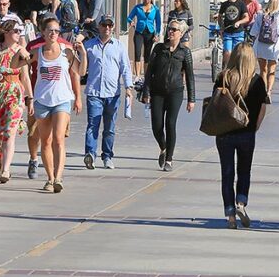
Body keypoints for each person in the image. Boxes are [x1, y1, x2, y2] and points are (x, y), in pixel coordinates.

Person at [214, 42, 268, 229]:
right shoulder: (257, 81)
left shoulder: (223, 78)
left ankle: (230, 216)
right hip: (247, 132)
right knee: (244, 170)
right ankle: (241, 202)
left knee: (227, 173)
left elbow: (216, 102)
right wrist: (255, 127)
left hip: (224, 132)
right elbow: (262, 108)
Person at [32, 17, 85, 193]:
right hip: (42, 100)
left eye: (56, 31)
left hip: (62, 99)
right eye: (50, 30)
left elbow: (80, 71)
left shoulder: (66, 51)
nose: (54, 34)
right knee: (45, 141)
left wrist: (83, 54)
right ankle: (50, 178)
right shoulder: (37, 51)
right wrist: (19, 51)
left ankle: (58, 177)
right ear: (43, 33)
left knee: (58, 138)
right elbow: (16, 64)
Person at [0, 19, 34, 183]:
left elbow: (25, 77)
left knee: (9, 132)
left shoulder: (20, 50)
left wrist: (30, 99)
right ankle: (1, 160)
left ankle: (6, 169)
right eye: (16, 31)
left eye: (20, 31)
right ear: (6, 32)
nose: (18, 34)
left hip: (15, 93)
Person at [141, 19, 195, 172]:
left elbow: (190, 76)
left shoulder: (185, 52)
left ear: (181, 33)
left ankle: (169, 159)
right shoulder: (159, 48)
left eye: (174, 29)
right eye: (169, 28)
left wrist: (191, 99)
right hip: (157, 92)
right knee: (156, 125)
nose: (170, 31)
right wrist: (146, 91)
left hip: (175, 92)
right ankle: (163, 147)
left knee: (170, 124)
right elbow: (149, 72)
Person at [83, 15, 135, 170]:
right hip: (94, 92)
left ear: (113, 27)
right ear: (99, 26)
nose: (107, 28)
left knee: (109, 128)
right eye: (104, 25)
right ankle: (90, 154)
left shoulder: (119, 46)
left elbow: (125, 68)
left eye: (110, 25)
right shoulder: (89, 46)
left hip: (113, 93)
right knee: (93, 125)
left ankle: (107, 156)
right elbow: (81, 66)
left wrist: (128, 87)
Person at [127, 0, 161, 81]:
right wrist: (131, 21)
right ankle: (137, 75)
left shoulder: (155, 9)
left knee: (147, 54)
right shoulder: (138, 7)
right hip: (139, 32)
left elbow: (158, 23)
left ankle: (146, 75)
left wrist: (157, 34)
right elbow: (129, 17)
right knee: (137, 52)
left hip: (150, 33)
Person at [217, 0, 250, 66]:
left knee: (237, 54)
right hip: (227, 32)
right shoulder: (224, 4)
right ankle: (226, 70)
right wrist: (221, 27)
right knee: (227, 53)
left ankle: (236, 70)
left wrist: (239, 22)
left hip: (238, 33)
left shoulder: (241, 4)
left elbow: (247, 18)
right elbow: (220, 16)